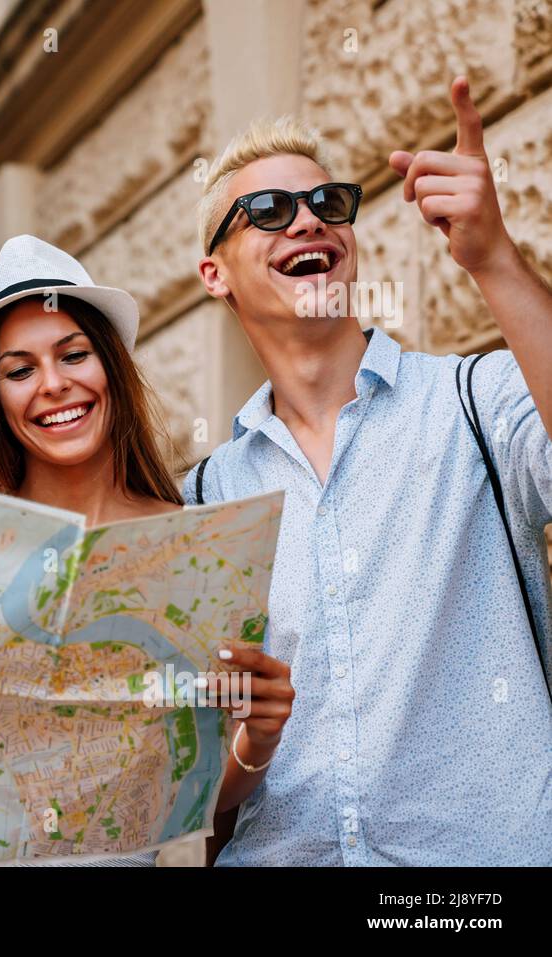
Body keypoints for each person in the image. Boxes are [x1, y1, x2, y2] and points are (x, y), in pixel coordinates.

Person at [188, 76, 552, 865]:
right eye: (269, 211)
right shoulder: (206, 498)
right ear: (214, 273)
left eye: (326, 202)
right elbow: (188, 778)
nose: (309, 219)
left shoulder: (473, 403)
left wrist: (493, 260)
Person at [0, 235, 295, 866]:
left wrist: (258, 737)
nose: (52, 385)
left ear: (111, 368)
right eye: (19, 370)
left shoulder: (191, 547)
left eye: (74, 355)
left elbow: (198, 796)